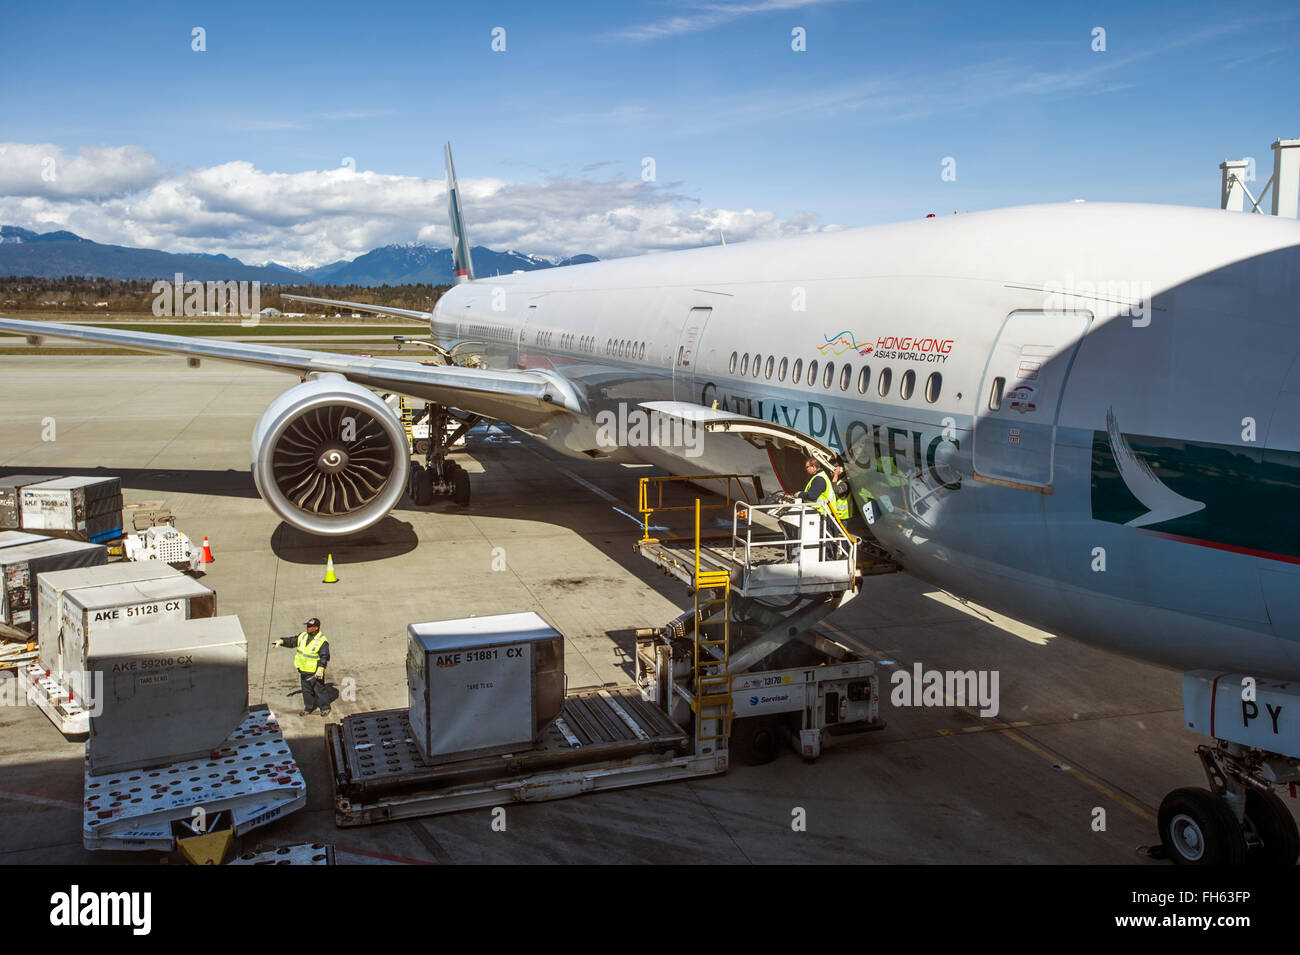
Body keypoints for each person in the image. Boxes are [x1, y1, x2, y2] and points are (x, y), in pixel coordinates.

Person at [275, 617, 331, 716]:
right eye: (307, 626)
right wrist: (281, 641)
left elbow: (324, 655)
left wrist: (321, 668)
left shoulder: (322, 641)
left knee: (319, 690)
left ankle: (325, 707)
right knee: (306, 691)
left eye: (310, 626)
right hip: (303, 669)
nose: (308, 628)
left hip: (315, 671)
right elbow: (293, 641)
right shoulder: (303, 636)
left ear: (316, 628)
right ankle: (308, 708)